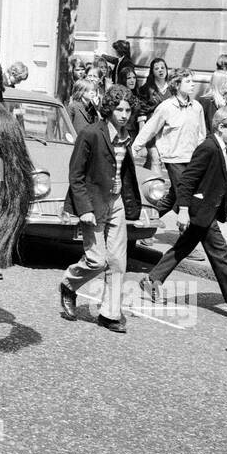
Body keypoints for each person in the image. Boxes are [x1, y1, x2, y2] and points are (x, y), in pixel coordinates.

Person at [142, 107, 227, 346]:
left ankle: (153, 279)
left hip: (208, 209)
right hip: (201, 210)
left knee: (183, 248)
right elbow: (188, 179)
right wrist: (181, 209)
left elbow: (224, 178)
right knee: (221, 255)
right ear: (221, 127)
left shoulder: (224, 147)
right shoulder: (209, 147)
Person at [59, 86, 141, 333]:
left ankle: (109, 313)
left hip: (116, 204)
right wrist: (83, 208)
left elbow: (124, 170)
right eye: (119, 109)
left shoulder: (127, 136)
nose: (124, 115)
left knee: (117, 261)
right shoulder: (91, 133)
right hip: (93, 204)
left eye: (128, 110)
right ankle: (68, 284)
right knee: (96, 261)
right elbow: (76, 175)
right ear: (109, 110)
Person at [133, 68, 205, 228]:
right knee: (186, 197)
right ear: (177, 85)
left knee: (173, 196)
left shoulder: (197, 107)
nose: (193, 84)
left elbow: (201, 134)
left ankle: (143, 220)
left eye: (192, 81)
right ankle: (185, 235)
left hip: (192, 158)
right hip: (174, 159)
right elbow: (149, 129)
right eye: (188, 81)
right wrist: (135, 148)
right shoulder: (166, 107)